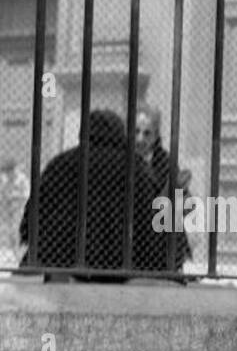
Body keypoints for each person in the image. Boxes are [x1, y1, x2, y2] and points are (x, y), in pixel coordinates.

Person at [19, 110, 175, 276]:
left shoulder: (61, 164)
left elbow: (33, 213)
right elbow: (154, 221)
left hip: (62, 257)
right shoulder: (135, 168)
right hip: (121, 261)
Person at [134, 104, 193, 268]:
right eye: (136, 131)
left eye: (147, 133)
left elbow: (186, 204)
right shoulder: (123, 160)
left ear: (156, 136)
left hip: (161, 235)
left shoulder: (165, 161)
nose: (140, 139)